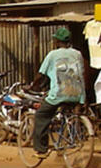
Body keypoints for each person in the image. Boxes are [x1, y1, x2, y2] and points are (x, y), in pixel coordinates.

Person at [29, 27, 86, 158]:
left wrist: (32, 85)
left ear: (57, 41)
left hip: (59, 94)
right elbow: (81, 75)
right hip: (77, 94)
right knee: (67, 113)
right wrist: (83, 99)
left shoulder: (53, 55)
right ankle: (70, 138)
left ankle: (41, 150)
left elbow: (40, 74)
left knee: (41, 115)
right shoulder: (77, 54)